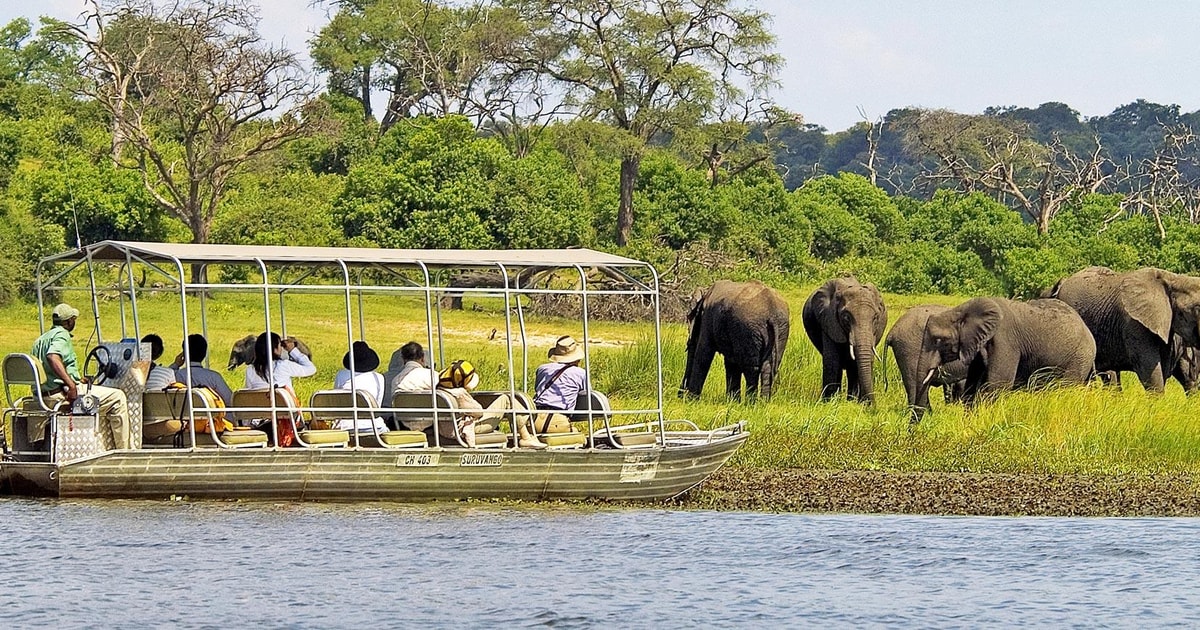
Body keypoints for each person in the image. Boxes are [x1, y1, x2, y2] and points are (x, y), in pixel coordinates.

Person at [30, 303, 134, 450]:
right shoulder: (62, 335)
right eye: (73, 319)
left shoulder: (40, 340)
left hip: (42, 396)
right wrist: (72, 385)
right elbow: (52, 357)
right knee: (118, 397)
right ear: (68, 321)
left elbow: (48, 370)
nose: (74, 322)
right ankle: (125, 451)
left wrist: (77, 379)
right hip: (60, 394)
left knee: (98, 393)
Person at [438, 360, 545, 449]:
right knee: (506, 399)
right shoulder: (460, 394)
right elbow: (478, 412)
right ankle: (526, 437)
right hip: (463, 429)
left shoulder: (440, 390)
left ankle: (525, 434)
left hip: (444, 429)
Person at [533, 335, 589, 434]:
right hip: (558, 421)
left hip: (534, 419)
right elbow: (587, 396)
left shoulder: (542, 369)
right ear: (577, 358)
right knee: (580, 437)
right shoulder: (580, 373)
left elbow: (537, 388)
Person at [332, 340, 388, 435]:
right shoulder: (378, 378)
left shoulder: (341, 375)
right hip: (374, 426)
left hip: (345, 426)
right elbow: (377, 405)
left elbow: (337, 399)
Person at [390, 341, 442, 433]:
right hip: (433, 425)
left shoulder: (396, 380)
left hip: (404, 424)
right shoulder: (432, 376)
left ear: (403, 359)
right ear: (423, 358)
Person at [170, 334, 234, 405]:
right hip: (209, 412)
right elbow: (230, 400)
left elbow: (163, 377)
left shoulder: (175, 375)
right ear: (204, 354)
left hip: (183, 411)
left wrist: (175, 365)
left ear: (184, 354)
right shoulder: (214, 377)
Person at [244, 331, 317, 390]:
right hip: (283, 404)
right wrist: (293, 350)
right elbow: (311, 369)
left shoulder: (250, 370)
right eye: (280, 345)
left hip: (260, 404)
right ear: (275, 349)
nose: (281, 348)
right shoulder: (283, 365)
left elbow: (249, 391)